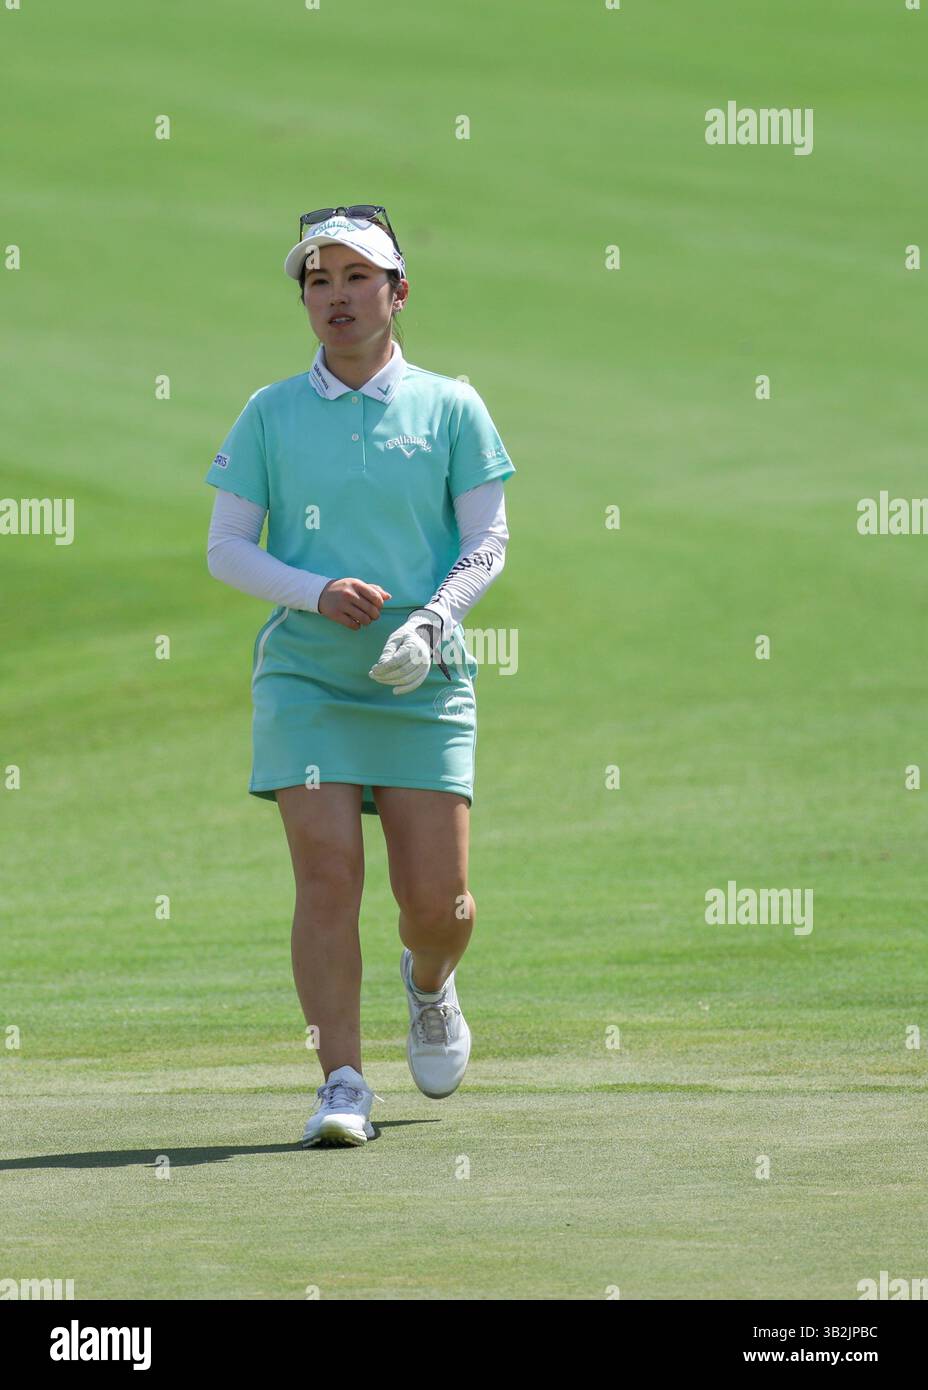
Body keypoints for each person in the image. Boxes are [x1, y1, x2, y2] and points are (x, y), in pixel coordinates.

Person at [203, 207, 516, 1147]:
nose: (335, 296)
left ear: (398, 292)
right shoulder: (270, 411)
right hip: (307, 677)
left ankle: (429, 986)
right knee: (326, 875)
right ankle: (341, 1081)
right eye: (317, 280)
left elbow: (486, 539)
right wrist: (313, 589)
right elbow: (227, 549)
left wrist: (433, 617)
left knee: (437, 905)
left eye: (356, 277)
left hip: (423, 679)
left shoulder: (452, 405)